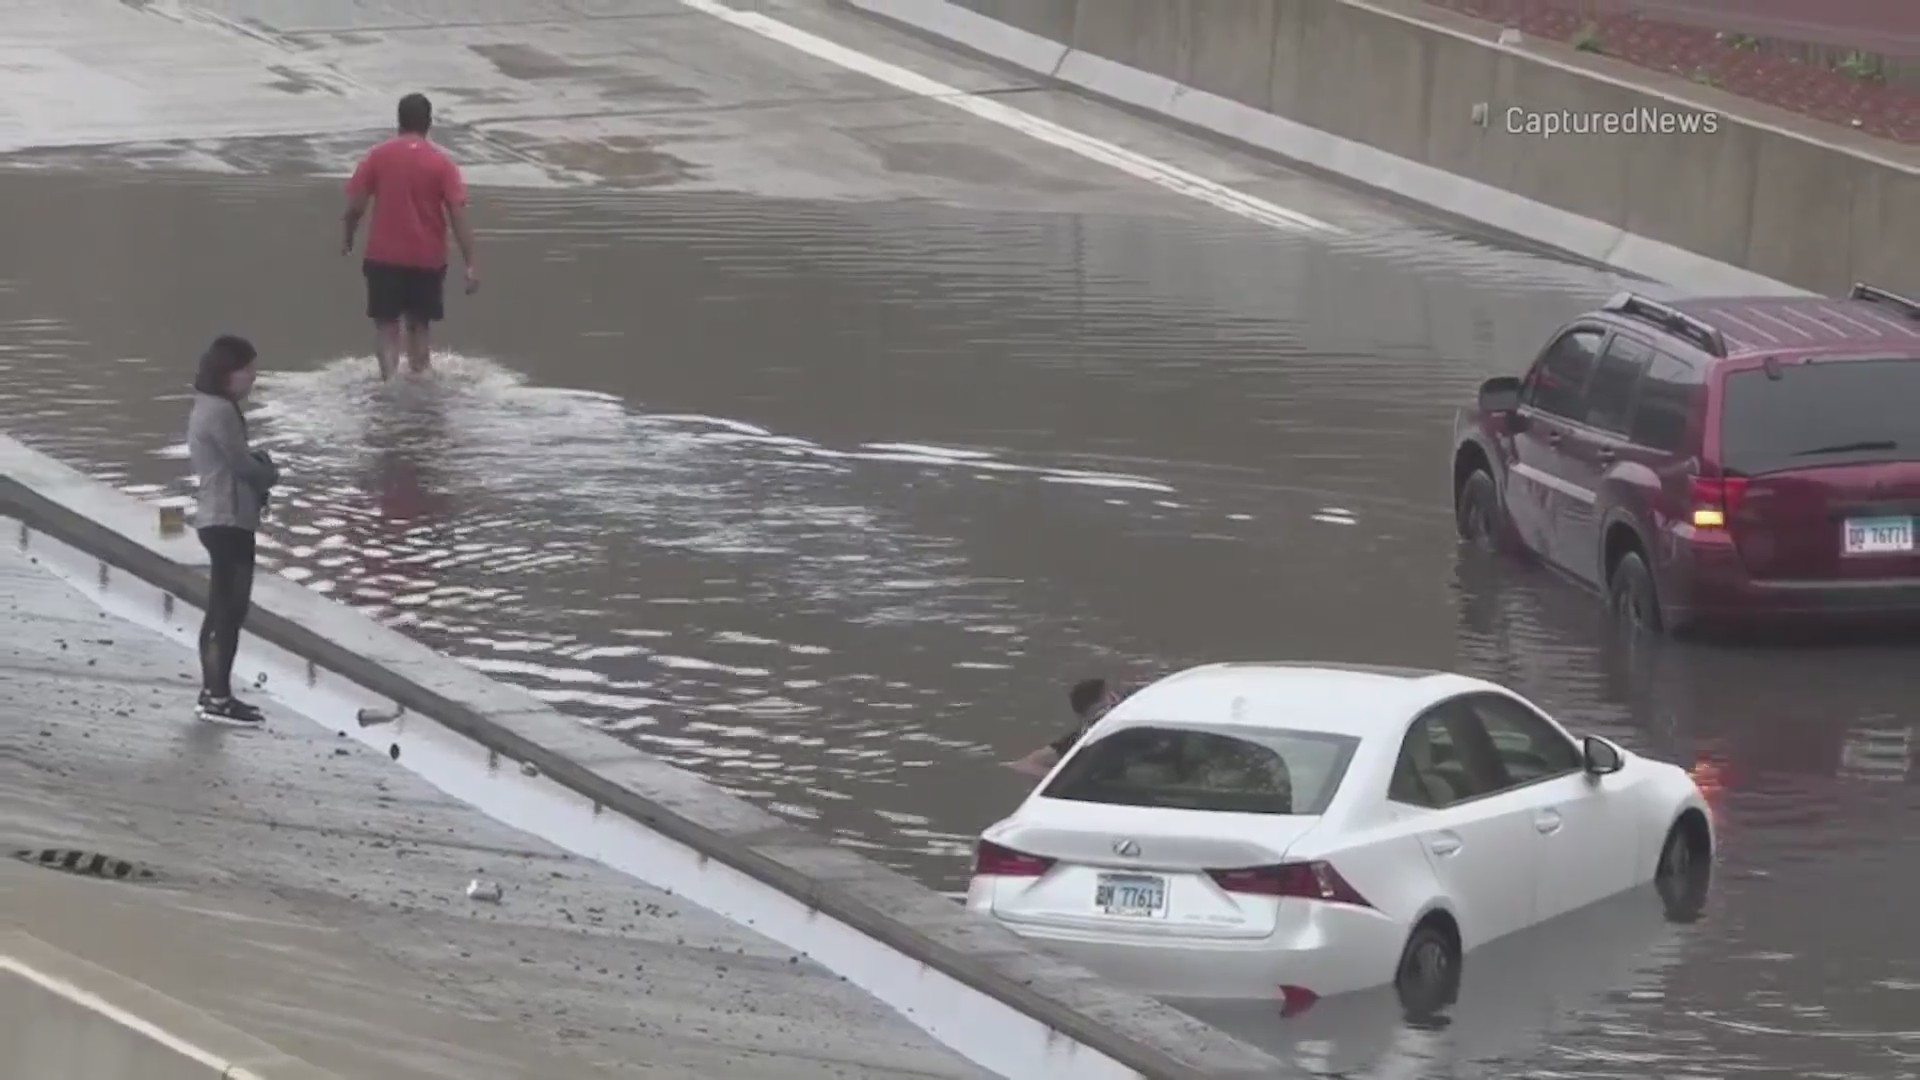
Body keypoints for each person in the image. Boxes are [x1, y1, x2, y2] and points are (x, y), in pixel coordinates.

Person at [341, 92, 478, 380]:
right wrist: (470, 263)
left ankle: (389, 382)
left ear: (399, 121)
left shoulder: (377, 157)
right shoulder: (442, 164)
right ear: (429, 123)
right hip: (427, 258)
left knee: (386, 325)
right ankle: (420, 378)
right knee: (419, 324)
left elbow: (356, 206)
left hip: (383, 256)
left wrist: (348, 237)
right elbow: (457, 214)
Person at [186, 335, 279, 724]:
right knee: (228, 611)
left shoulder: (206, 406)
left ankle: (212, 692)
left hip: (217, 517)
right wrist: (269, 473)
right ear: (228, 372)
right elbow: (241, 466)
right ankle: (218, 699)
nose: (253, 378)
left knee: (219, 609)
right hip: (228, 520)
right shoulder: (221, 411)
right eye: (248, 370)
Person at [1004, 677, 1125, 778]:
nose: (1118, 700)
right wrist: (1065, 780)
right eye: (1112, 697)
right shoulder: (1080, 740)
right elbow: (1023, 765)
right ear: (1097, 708)